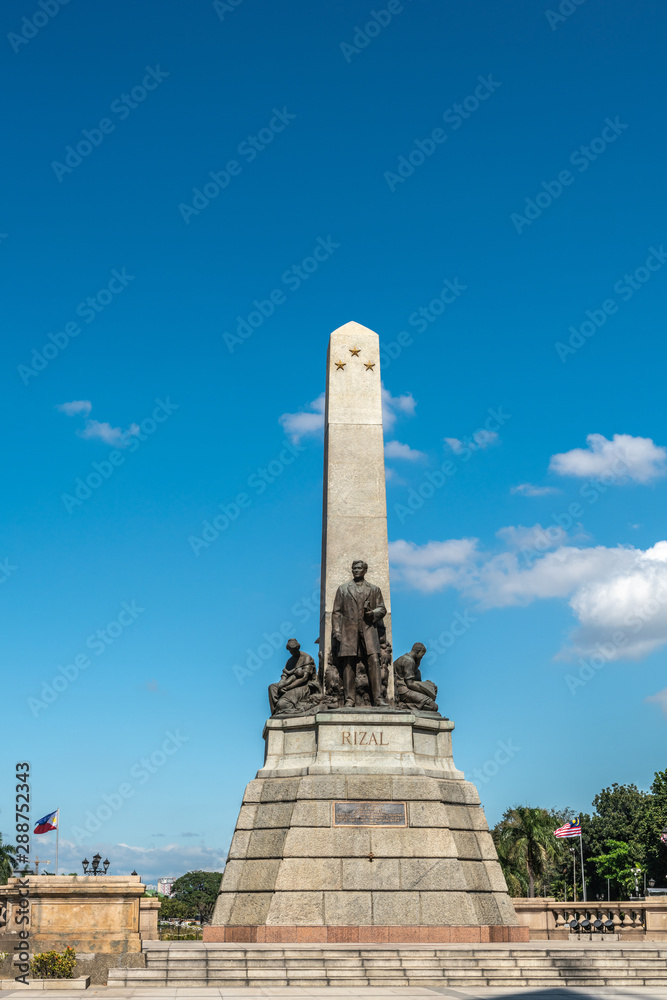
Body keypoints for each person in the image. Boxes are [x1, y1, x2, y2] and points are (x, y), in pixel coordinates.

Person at [332, 559, 387, 708]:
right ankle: (349, 699)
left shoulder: (374, 589)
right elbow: (336, 612)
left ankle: (378, 698)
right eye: (354, 568)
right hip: (349, 630)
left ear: (365, 570)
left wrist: (372, 613)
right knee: (348, 663)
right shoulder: (343, 589)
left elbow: (382, 609)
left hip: (369, 629)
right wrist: (336, 631)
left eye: (358, 568)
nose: (356, 570)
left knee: (374, 661)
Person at [268, 638, 320, 715]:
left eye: (294, 651)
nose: (293, 653)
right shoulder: (290, 661)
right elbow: (284, 676)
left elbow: (304, 678)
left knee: (282, 703)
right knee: (272, 687)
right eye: (291, 651)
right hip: (290, 683)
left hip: (304, 686)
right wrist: (280, 685)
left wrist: (287, 688)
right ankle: (276, 711)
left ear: (298, 648)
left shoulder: (306, 658)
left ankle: (281, 706)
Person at [393, 642, 438, 713]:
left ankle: (405, 705)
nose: (421, 657)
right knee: (433, 706)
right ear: (418, 651)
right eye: (421, 655)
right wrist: (427, 690)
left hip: (403, 689)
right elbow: (410, 684)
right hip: (403, 690)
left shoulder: (405, 659)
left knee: (430, 703)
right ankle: (402, 706)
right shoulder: (409, 661)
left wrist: (428, 686)